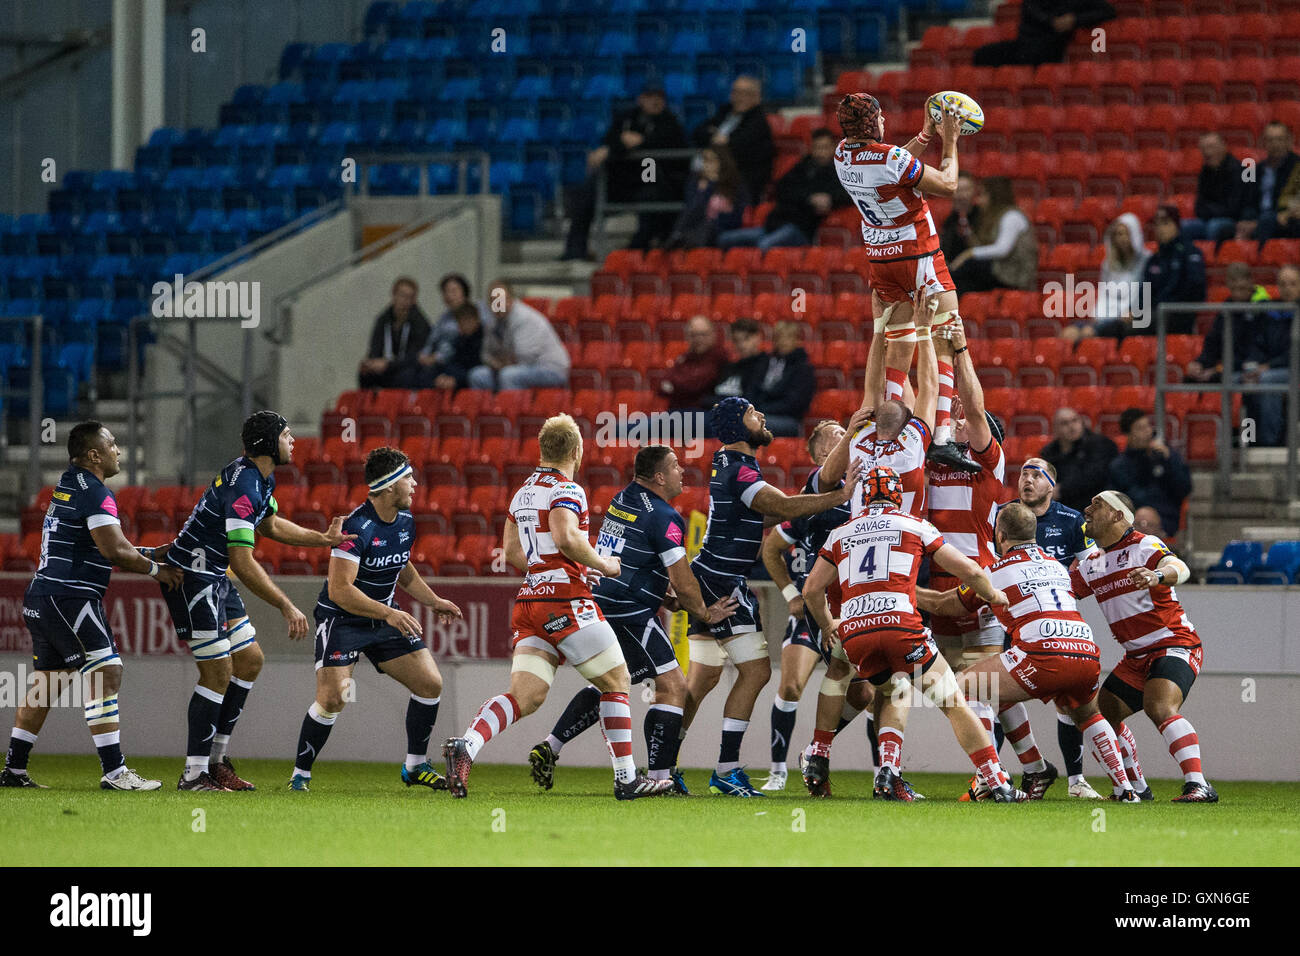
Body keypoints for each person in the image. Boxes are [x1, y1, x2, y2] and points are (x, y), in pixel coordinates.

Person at [443, 416, 671, 800]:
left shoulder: (523, 492)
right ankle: (627, 778)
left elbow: (514, 553)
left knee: (524, 696)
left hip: (531, 601)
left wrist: (553, 568)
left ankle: (467, 745)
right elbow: (566, 536)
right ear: (577, 451)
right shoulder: (567, 489)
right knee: (616, 681)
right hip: (566, 600)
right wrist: (602, 564)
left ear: (543, 450)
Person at [801, 466, 1027, 802]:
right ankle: (998, 783)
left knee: (893, 691)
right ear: (898, 494)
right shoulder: (914, 524)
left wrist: (826, 623)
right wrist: (993, 595)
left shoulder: (841, 532)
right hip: (900, 626)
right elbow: (969, 569)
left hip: (855, 633)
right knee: (952, 702)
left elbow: (810, 590)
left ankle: (875, 768)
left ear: (865, 496)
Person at [526, 445, 737, 794]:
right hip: (630, 612)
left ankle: (552, 746)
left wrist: (665, 597)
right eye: (675, 466)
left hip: (601, 603)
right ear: (658, 477)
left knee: (609, 684)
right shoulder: (665, 517)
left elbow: (631, 557)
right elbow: (683, 580)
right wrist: (703, 612)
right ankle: (659, 778)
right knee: (673, 687)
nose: (682, 471)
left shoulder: (623, 499)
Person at [679, 397, 862, 797]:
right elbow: (777, 506)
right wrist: (836, 497)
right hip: (723, 580)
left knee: (702, 680)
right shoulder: (740, 469)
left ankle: (663, 766)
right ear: (735, 427)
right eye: (750, 412)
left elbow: (767, 513)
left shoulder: (731, 464)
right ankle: (726, 771)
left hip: (713, 575)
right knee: (759, 673)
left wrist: (800, 507)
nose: (760, 415)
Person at [162, 411, 353, 791]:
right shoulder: (245, 487)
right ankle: (193, 773)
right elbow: (242, 560)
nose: (293, 440)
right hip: (191, 577)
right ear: (269, 443)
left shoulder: (258, 478)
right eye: (286, 435)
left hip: (213, 575)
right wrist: (286, 604)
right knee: (216, 672)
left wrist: (322, 539)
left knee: (249, 661)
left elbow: (271, 526)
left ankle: (215, 762)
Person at [1, 422, 182, 791]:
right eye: (112, 444)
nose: (119, 451)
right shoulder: (96, 492)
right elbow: (113, 550)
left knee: (47, 683)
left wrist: (147, 552)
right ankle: (115, 772)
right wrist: (155, 570)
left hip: (43, 595)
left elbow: (96, 545)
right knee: (107, 670)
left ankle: (14, 769)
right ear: (93, 455)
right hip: (72, 596)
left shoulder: (70, 485)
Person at [918, 503, 1140, 801]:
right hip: (1085, 650)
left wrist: (904, 590)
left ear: (1001, 535)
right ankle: (1124, 789)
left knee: (968, 687)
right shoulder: (1057, 566)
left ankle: (991, 777)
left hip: (1043, 653)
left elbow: (946, 605)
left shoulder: (995, 571)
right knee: (1087, 714)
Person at [289, 447, 463, 791]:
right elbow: (340, 590)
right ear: (388, 487)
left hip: (384, 618)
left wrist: (434, 601)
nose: (414, 484)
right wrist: (390, 613)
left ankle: (414, 767)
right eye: (407, 478)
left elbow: (404, 569)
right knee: (335, 698)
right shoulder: (357, 527)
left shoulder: (406, 522)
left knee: (430, 683)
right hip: (343, 620)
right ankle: (300, 775)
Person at [834, 91, 975, 472]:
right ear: (874, 121)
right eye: (880, 115)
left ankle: (892, 434)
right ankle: (941, 437)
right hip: (918, 253)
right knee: (945, 334)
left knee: (899, 347)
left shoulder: (842, 155)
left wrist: (924, 136)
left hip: (881, 261)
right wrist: (950, 139)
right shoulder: (889, 157)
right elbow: (945, 183)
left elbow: (893, 168)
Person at [1073, 491, 1218, 802]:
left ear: (1117, 516)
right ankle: (1137, 787)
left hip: (1174, 643)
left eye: (1096, 504)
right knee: (1098, 716)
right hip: (1136, 657)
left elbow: (1180, 568)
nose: (1087, 508)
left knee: (1159, 707)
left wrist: (1157, 575)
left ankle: (1199, 785)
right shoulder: (1091, 564)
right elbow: (1059, 593)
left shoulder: (1144, 544)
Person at [757, 420, 858, 791]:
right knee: (792, 686)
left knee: (865, 692)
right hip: (815, 610)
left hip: (854, 609)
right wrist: (789, 594)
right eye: (837, 434)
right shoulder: (814, 499)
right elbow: (771, 547)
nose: (847, 435)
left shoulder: (865, 492)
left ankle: (818, 750)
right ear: (820, 456)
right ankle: (778, 770)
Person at [1005, 458, 1107, 799]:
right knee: (996, 694)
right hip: (1014, 620)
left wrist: (1065, 595)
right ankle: (999, 776)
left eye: (1037, 475)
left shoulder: (1071, 520)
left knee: (1070, 706)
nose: (1028, 480)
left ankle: (1076, 780)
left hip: (1057, 626)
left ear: (1052, 486)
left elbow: (1094, 567)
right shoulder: (1004, 516)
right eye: (1023, 474)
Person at [562, 85, 688, 260]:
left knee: (651, 193)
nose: (655, 100)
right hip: (625, 178)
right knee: (589, 192)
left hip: (653, 177)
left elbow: (663, 143)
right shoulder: (627, 118)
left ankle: (635, 251)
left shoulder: (670, 121)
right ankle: (574, 251)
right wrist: (621, 144)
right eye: (650, 95)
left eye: (659, 96)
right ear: (641, 98)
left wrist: (637, 142)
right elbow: (609, 140)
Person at [1187, 263, 1292, 447]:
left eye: (1242, 288)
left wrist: (1225, 369)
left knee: (1250, 384)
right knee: (1195, 380)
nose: (1238, 294)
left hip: (1253, 368)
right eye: (1234, 289)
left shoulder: (1265, 310)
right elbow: (1213, 344)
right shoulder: (1226, 312)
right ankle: (1213, 443)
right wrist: (1201, 363)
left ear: (1251, 283)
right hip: (1236, 369)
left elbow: (1260, 348)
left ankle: (1265, 442)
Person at [718, 128, 849, 251]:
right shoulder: (804, 166)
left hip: (799, 229)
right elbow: (781, 188)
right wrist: (809, 197)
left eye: (825, 148)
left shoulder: (840, 172)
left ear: (834, 148)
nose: (821, 153)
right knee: (724, 239)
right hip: (775, 224)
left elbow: (848, 195)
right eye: (817, 147)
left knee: (763, 246)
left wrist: (829, 199)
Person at [469, 280, 570, 391]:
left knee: (509, 375)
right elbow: (486, 354)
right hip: (512, 367)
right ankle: (489, 408)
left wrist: (502, 362)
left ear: (511, 299)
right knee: (477, 375)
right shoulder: (492, 321)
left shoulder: (525, 318)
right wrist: (494, 363)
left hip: (549, 368)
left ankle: (509, 408)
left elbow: (524, 357)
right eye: (493, 300)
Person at [1123, 205, 1205, 337]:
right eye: (1157, 224)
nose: (1160, 229)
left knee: (1132, 328)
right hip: (1154, 313)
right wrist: (1135, 311)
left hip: (1179, 314)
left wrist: (1168, 304)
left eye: (1165, 223)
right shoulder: (1154, 259)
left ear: (1176, 225)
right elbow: (1145, 291)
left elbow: (1195, 288)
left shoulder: (1190, 253)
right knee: (1114, 327)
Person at [1109, 408, 1192, 537]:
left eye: (1148, 426)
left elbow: (1185, 488)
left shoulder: (1166, 456)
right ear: (1128, 435)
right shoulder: (1119, 465)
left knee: (1146, 524)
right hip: (1133, 519)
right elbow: (1116, 499)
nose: (1148, 431)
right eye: (1140, 428)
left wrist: (1170, 462)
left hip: (1165, 518)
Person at [1066, 212, 1149, 341]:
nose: (1121, 238)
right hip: (1105, 317)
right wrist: (1098, 316)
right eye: (1118, 234)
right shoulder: (1108, 264)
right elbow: (1104, 295)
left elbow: (1143, 295)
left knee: (1088, 334)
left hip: (1125, 320)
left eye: (1125, 233)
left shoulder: (1146, 262)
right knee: (1069, 333)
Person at [946, 176, 1038, 293]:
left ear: (994, 196)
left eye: (983, 195)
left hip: (1013, 274)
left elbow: (1002, 249)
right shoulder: (991, 218)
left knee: (969, 267)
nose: (978, 201)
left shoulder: (1012, 216)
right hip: (998, 270)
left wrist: (969, 254)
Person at [692, 75, 774, 206]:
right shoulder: (725, 112)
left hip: (736, 181)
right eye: (736, 92)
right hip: (704, 174)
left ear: (757, 97)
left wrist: (721, 140)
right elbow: (698, 132)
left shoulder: (758, 122)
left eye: (746, 93)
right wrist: (716, 138)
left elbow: (738, 147)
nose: (740, 97)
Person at [972, 0, 1117, 68]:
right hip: (1025, 43)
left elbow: (1108, 11)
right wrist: (1052, 21)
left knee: (1035, 55)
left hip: (1051, 45)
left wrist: (1075, 20)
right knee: (982, 54)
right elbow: (1030, 9)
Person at [665, 145, 748, 249]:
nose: (707, 165)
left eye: (711, 161)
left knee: (709, 229)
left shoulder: (734, 184)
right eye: (704, 160)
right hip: (697, 229)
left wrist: (712, 184)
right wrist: (706, 189)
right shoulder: (695, 183)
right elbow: (691, 211)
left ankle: (681, 239)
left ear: (722, 162)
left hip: (725, 229)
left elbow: (739, 214)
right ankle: (678, 237)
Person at [1040, 406, 1119, 511]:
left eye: (1075, 420)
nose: (1071, 426)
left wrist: (1062, 490)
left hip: (1096, 504)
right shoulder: (1049, 452)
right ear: (1055, 429)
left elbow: (1093, 476)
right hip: (1065, 507)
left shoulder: (1099, 444)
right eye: (1064, 423)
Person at [358, 277, 431, 389]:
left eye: (409, 297)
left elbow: (413, 356)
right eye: (402, 295)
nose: (405, 301)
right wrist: (371, 363)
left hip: (407, 367)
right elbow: (375, 347)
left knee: (406, 376)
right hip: (388, 365)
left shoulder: (420, 323)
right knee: (365, 374)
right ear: (394, 295)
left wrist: (388, 365)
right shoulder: (383, 319)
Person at [1181, 133, 1249, 244]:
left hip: (1232, 222)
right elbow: (1199, 206)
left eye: (1211, 147)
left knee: (1214, 226)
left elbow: (1234, 209)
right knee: (1182, 226)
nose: (1208, 153)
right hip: (1208, 219)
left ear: (1223, 147)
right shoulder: (1205, 172)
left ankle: (1212, 259)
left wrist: (1209, 210)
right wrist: (1212, 210)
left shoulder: (1239, 170)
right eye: (1204, 149)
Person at [1238, 121, 1300, 243]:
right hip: (1257, 217)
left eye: (1279, 139)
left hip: (1282, 217)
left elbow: (1295, 199)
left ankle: (1260, 259)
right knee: (1224, 228)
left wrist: (1285, 214)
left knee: (1267, 221)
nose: (1275, 144)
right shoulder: (1253, 169)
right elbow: (1247, 201)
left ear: (1289, 141)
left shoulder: (1297, 167)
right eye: (1270, 140)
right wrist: (1246, 219)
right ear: (1263, 143)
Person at [751, 320, 815, 437]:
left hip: (787, 419)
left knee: (748, 425)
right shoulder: (765, 362)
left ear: (797, 340)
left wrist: (761, 409)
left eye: (788, 337)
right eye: (779, 337)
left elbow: (795, 404)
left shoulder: (803, 368)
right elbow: (753, 389)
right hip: (761, 412)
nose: (783, 341)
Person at [659, 314, 728, 412]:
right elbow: (662, 384)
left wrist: (675, 386)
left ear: (713, 334)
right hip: (676, 412)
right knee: (635, 425)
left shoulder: (719, 357)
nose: (698, 339)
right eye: (693, 335)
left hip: (702, 413)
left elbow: (695, 385)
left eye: (703, 334)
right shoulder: (685, 357)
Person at [419, 303, 484, 391]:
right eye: (459, 323)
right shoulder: (460, 339)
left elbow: (476, 364)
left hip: (470, 374)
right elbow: (454, 360)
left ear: (474, 320)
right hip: (457, 373)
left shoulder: (483, 338)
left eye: (464, 322)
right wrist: (444, 376)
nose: (461, 327)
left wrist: (455, 379)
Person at [712, 318, 768, 402]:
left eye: (746, 339)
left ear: (758, 337)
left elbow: (750, 399)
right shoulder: (730, 366)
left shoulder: (765, 364)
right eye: (736, 340)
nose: (741, 345)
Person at [939, 171, 980, 262]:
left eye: (966, 190)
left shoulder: (983, 216)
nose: (962, 196)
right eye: (958, 190)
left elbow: (984, 250)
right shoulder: (948, 219)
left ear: (974, 191)